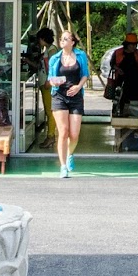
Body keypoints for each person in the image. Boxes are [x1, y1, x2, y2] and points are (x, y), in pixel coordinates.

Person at [47, 27, 90, 177]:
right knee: (63, 132)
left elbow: (85, 75)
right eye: (61, 39)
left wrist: (78, 86)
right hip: (59, 96)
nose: (62, 41)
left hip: (76, 97)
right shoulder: (55, 58)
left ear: (72, 42)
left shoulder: (80, 56)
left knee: (74, 134)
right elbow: (50, 79)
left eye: (66, 39)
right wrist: (54, 83)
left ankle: (70, 154)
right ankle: (63, 166)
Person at [107, 30, 138, 113]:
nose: (134, 47)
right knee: (119, 99)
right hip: (120, 82)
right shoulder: (118, 53)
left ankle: (132, 114)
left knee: (134, 100)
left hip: (135, 82)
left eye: (135, 45)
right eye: (131, 45)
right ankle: (119, 113)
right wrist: (118, 69)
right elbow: (112, 64)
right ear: (127, 45)